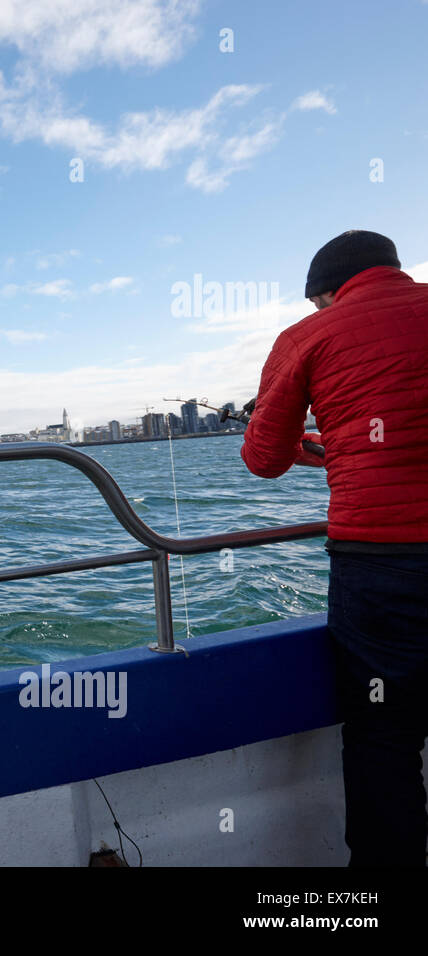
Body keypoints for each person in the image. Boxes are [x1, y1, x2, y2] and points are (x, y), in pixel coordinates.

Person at [241, 230, 428, 867]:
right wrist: (349, 446)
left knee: (384, 735)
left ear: (326, 293)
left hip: (382, 566)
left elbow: (263, 459)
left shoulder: (306, 338)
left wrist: (314, 446)